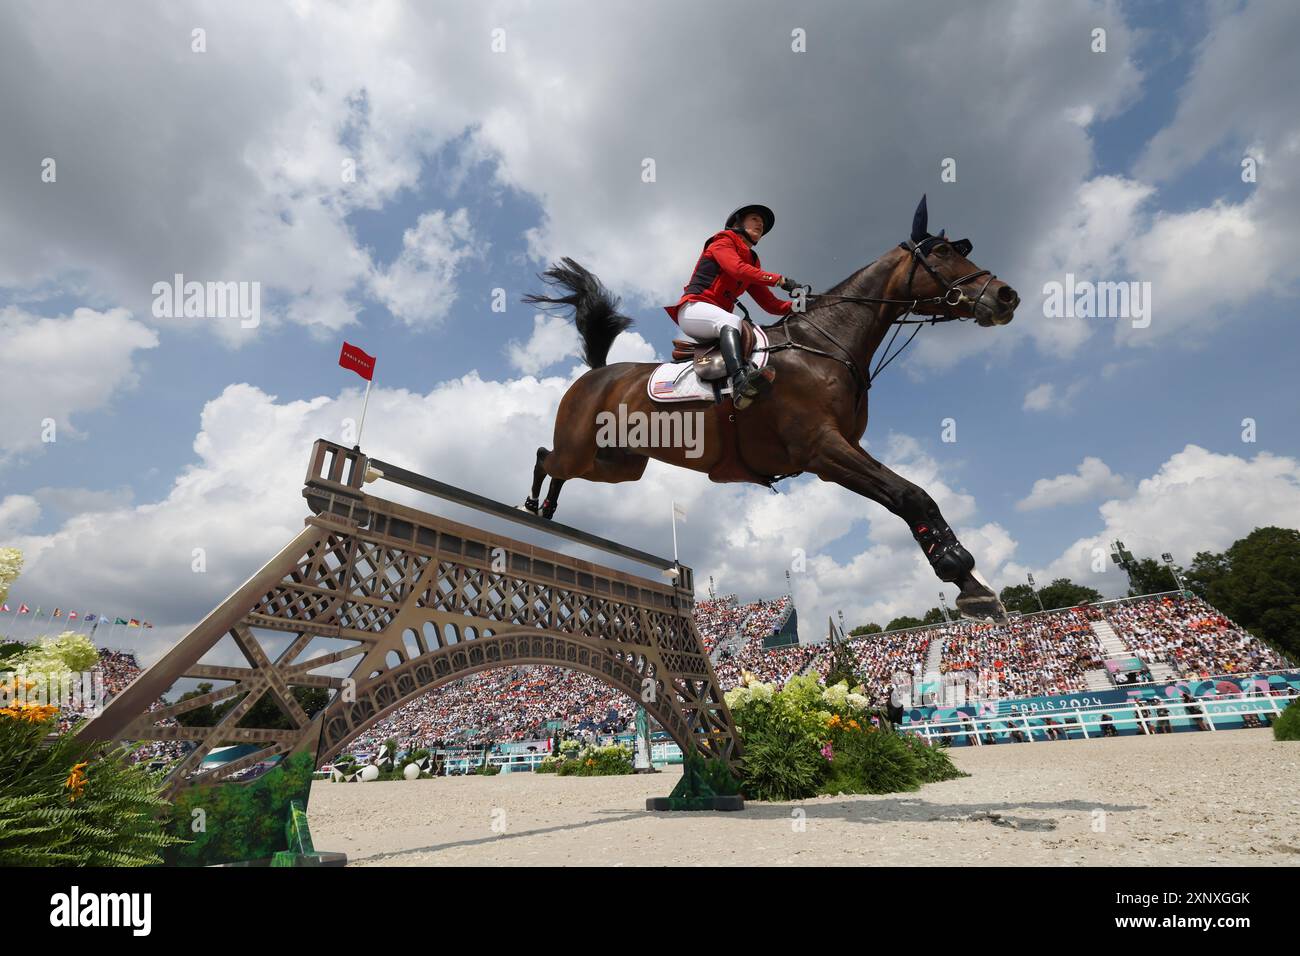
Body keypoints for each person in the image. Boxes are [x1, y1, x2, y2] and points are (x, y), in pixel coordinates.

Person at [664, 203, 804, 409]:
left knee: (753, 335)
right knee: (731, 320)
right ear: (737, 222)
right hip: (694, 309)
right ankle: (740, 381)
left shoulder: (752, 261)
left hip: (714, 318)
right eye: (755, 219)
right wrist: (779, 279)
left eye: (762, 224)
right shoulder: (723, 240)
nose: (760, 225)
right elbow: (737, 270)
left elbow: (770, 304)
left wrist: (797, 306)